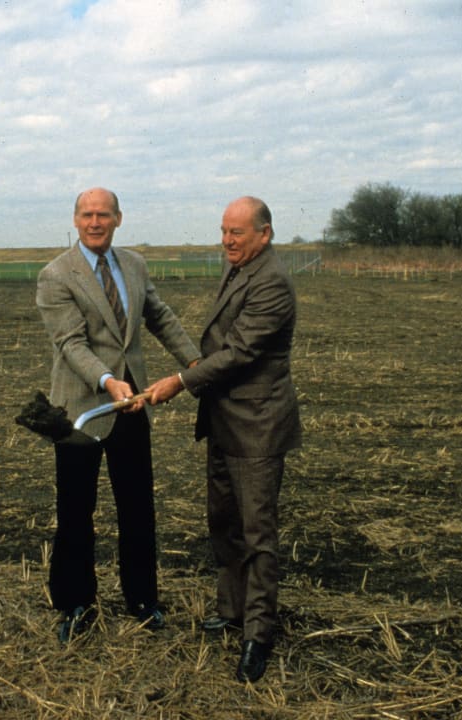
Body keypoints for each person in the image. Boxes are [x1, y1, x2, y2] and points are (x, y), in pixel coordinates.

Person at [146, 196, 301, 682]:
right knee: (224, 522)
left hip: (256, 424)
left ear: (265, 234)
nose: (227, 240)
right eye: (224, 231)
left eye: (237, 233)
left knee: (257, 533)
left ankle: (258, 634)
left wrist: (181, 380)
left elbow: (238, 352)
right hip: (225, 421)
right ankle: (231, 610)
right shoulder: (240, 269)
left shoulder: (272, 281)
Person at [35, 187, 200, 644]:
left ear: (118, 219)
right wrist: (108, 380)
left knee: (137, 509)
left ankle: (143, 599)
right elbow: (70, 344)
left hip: (133, 406)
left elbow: (160, 316)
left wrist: (195, 365)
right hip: (82, 412)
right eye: (87, 215)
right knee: (75, 512)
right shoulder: (55, 275)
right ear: (74, 220)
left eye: (103, 215)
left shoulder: (135, 265)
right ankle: (75, 603)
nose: (95, 222)